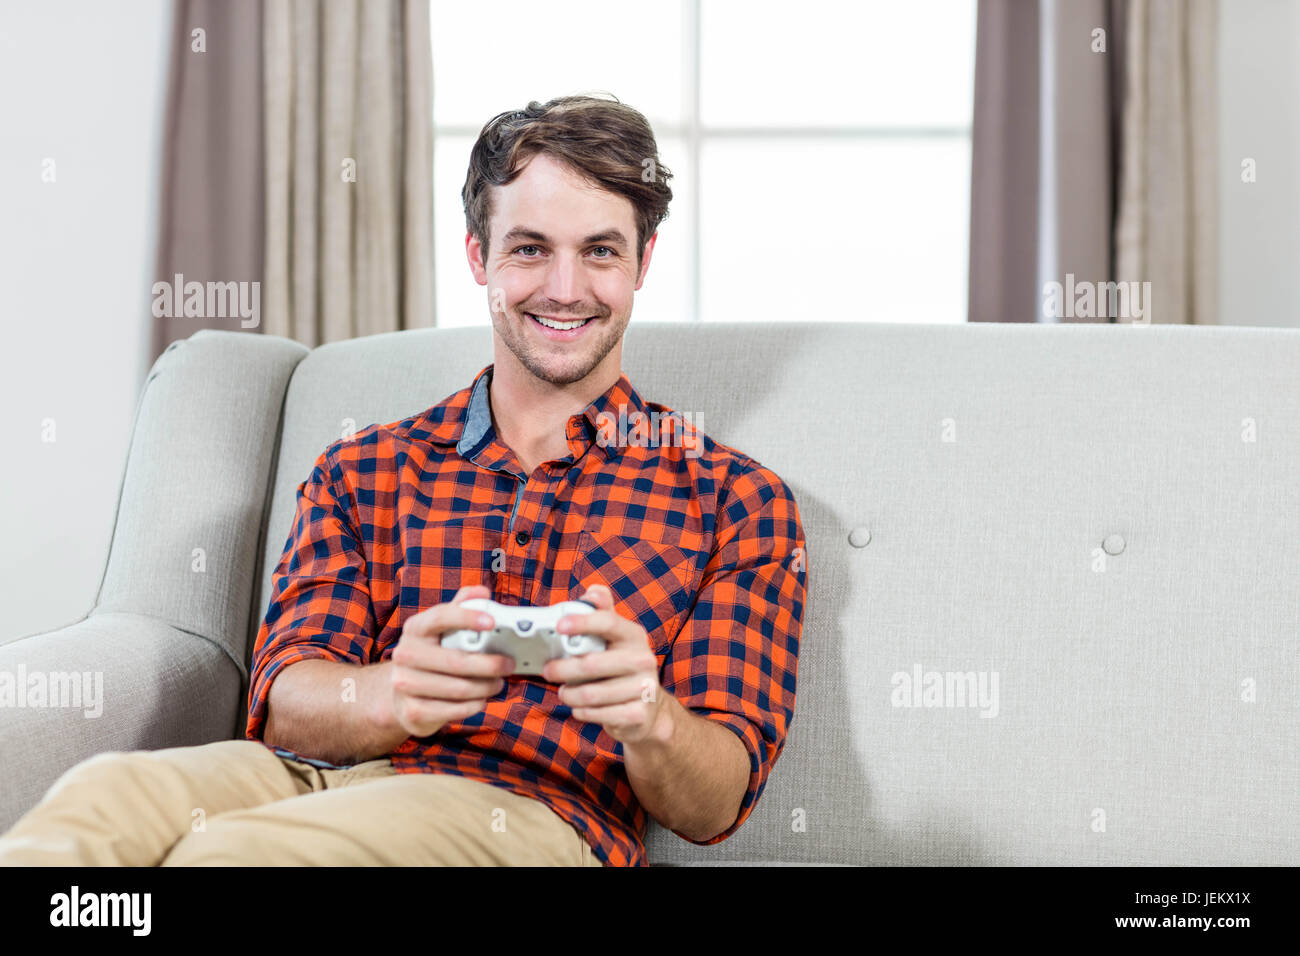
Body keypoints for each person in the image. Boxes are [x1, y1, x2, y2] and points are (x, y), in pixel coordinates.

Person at [0, 94, 807, 867]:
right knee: (95, 805)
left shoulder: (734, 500)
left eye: (600, 251)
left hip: (532, 813)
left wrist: (649, 716)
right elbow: (286, 699)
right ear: (477, 257)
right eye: (529, 248)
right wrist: (393, 693)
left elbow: (714, 803)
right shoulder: (366, 467)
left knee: (239, 856)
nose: (564, 288)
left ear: (642, 264)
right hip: (306, 779)